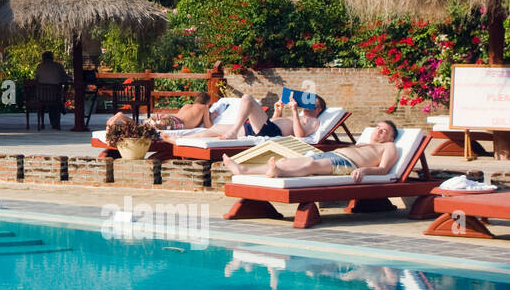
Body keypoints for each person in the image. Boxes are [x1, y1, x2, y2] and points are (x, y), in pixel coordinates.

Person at [224, 120, 399, 183]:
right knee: (285, 160)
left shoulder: (389, 147)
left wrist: (364, 170)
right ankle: (243, 169)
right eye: (378, 127)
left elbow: (383, 170)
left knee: (311, 164)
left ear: (391, 138)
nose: (379, 131)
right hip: (334, 156)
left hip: (347, 164)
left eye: (384, 131)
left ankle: (279, 172)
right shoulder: (364, 143)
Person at [194, 92, 325, 140]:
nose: (308, 105)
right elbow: (275, 121)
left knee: (247, 99)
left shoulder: (313, 121)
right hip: (265, 127)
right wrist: (277, 112)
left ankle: (233, 131)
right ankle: (178, 139)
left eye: (313, 104)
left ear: (318, 109)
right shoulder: (301, 116)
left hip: (272, 131)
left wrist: (295, 112)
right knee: (215, 128)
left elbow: (300, 135)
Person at [107, 90, 214, 133]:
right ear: (207, 102)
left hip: (169, 118)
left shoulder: (187, 106)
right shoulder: (204, 108)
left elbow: (180, 116)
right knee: (140, 129)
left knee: (140, 126)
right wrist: (211, 116)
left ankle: (120, 118)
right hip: (174, 123)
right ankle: (121, 116)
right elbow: (208, 126)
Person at [32, 51, 70, 130]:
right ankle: (56, 122)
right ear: (52, 57)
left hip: (41, 96)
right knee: (55, 103)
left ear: (43, 58)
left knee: (47, 103)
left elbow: (36, 79)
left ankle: (42, 123)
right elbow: (65, 79)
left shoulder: (39, 66)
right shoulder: (58, 66)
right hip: (55, 95)